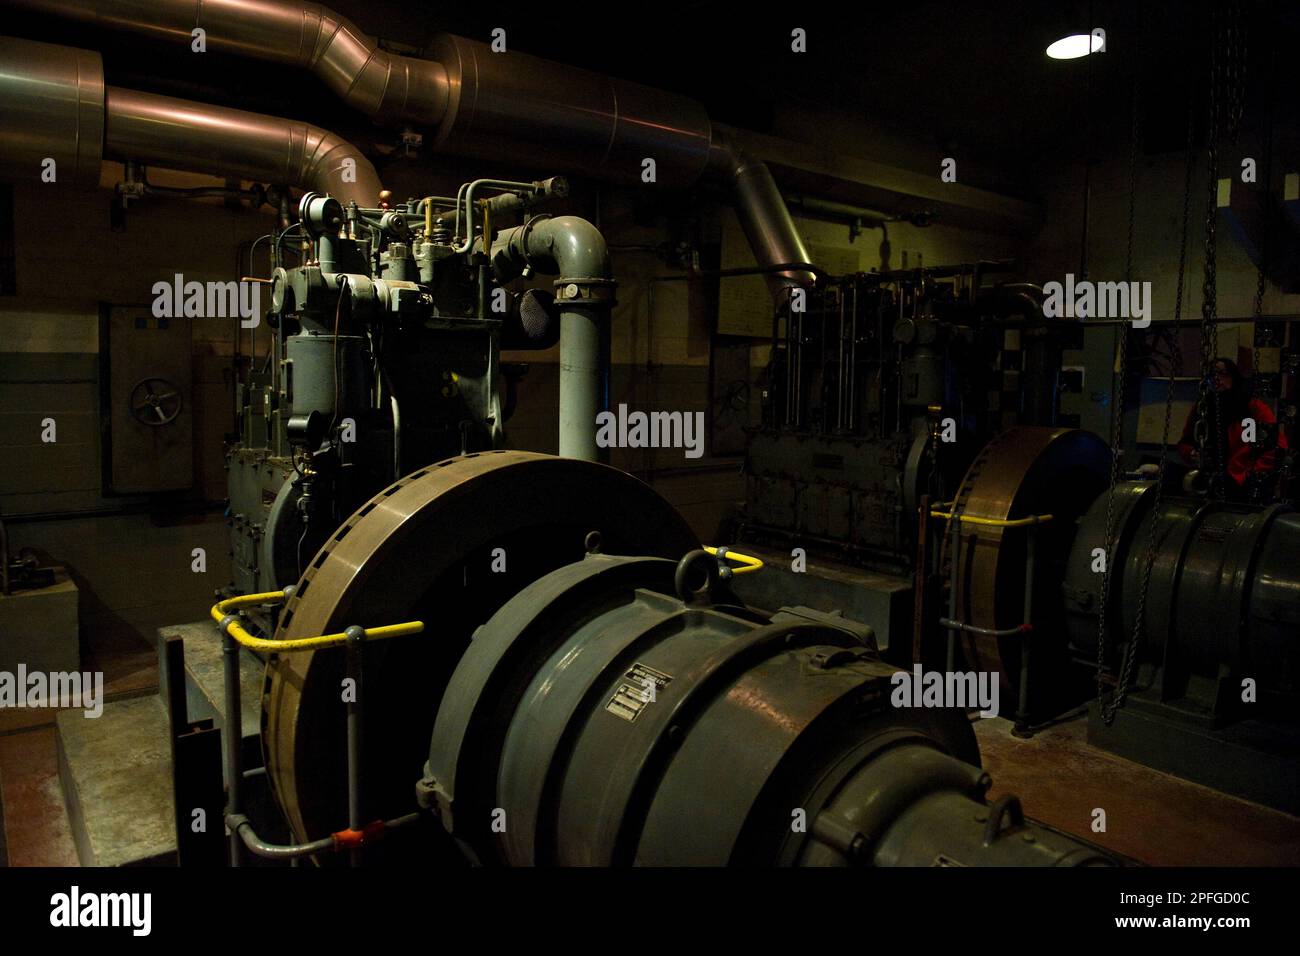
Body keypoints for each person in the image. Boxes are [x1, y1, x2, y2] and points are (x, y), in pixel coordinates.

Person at [1177, 357, 1287, 496]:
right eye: (1212, 375)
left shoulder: (1251, 407)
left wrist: (1252, 473)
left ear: (1233, 377)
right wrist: (1191, 453)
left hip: (1241, 481)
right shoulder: (1203, 408)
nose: (1217, 379)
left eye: (1223, 374)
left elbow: (1277, 446)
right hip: (1211, 480)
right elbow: (1185, 443)